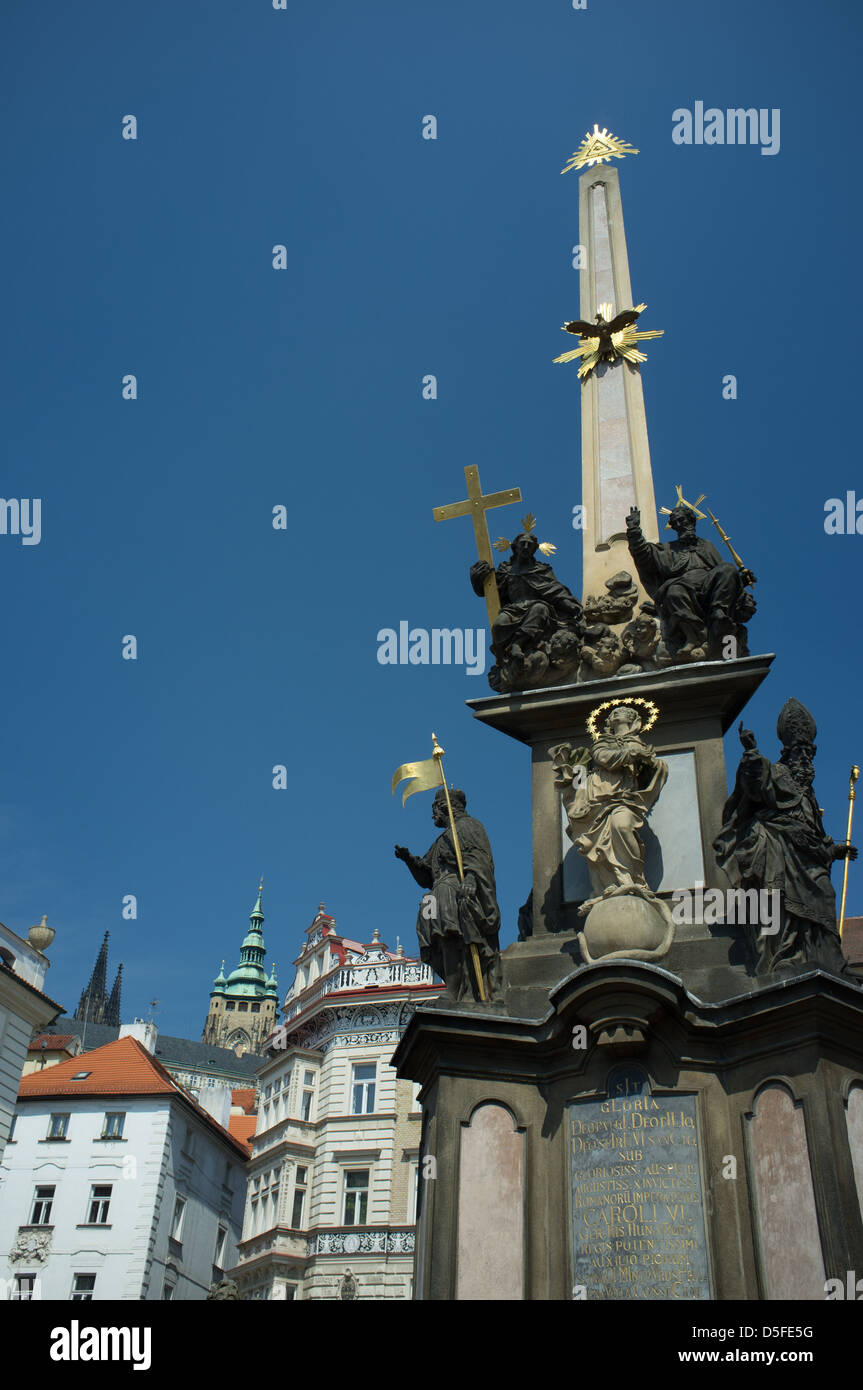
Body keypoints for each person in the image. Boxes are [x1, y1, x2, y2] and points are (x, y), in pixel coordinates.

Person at [714, 708, 857, 976]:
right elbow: (756, 785)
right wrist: (752, 755)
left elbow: (812, 833)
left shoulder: (808, 793)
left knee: (825, 894)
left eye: (809, 754)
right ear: (787, 753)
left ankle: (825, 959)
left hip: (810, 860)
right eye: (799, 753)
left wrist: (833, 849)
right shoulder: (778, 772)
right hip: (781, 851)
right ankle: (787, 956)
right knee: (784, 905)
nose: (805, 759)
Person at [554, 705, 667, 911]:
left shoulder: (638, 744)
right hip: (597, 800)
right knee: (595, 846)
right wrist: (631, 753)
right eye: (613, 712)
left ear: (633, 719)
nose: (615, 713)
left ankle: (633, 880)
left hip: (624, 800)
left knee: (622, 826)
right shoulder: (603, 742)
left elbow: (648, 771)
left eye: (621, 712)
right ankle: (610, 885)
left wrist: (649, 762)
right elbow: (603, 758)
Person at [394, 787, 502, 1002]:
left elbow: (481, 860)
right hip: (436, 895)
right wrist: (409, 860)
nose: (432, 814)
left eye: (434, 809)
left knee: (448, 935)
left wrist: (471, 880)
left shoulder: (468, 826)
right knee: (430, 923)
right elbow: (426, 876)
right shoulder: (442, 838)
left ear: (445, 808)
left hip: (454, 891)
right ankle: (454, 984)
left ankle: (456, 990)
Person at [626, 502, 755, 661]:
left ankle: (718, 613)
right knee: (674, 591)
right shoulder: (668, 549)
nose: (681, 525)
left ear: (692, 521)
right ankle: (696, 637)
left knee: (728, 568)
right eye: (676, 523)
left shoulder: (706, 545)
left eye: (683, 520)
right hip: (684, 585)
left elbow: (722, 575)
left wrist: (741, 581)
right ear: (673, 527)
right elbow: (643, 555)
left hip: (709, 585)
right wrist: (634, 531)